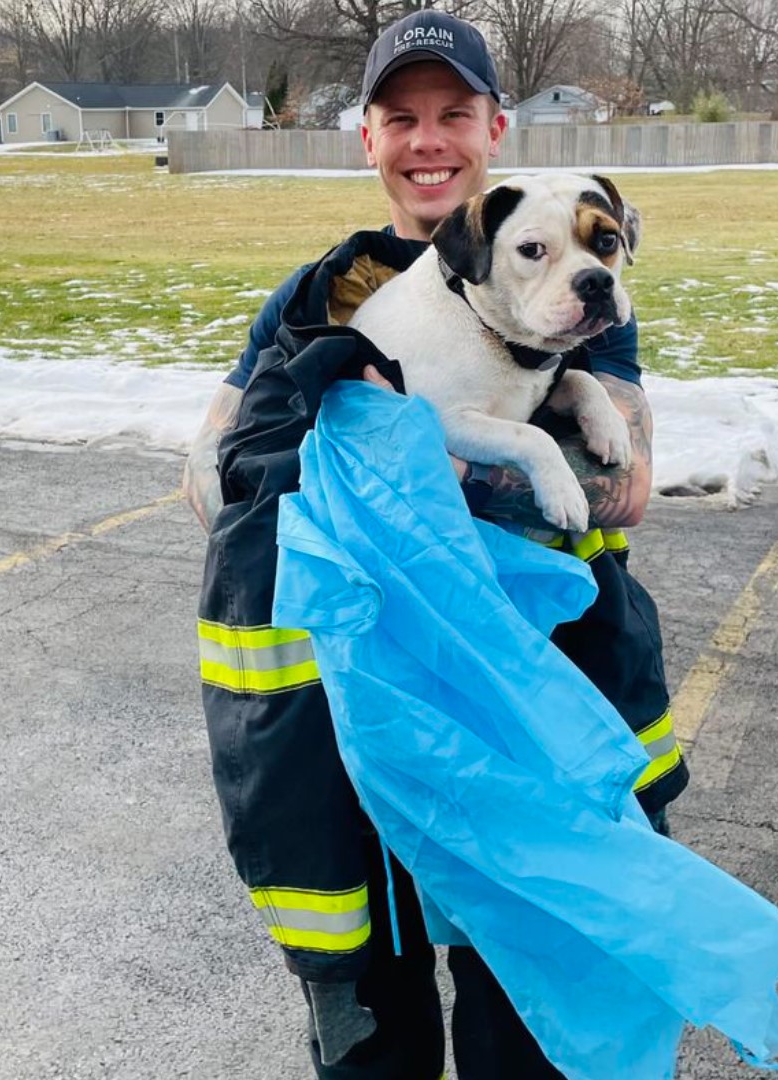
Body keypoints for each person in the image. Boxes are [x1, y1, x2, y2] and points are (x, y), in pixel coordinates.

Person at [186, 11, 688, 1078]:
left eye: (454, 113)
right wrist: (329, 473)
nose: (428, 140)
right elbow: (213, 476)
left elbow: (622, 488)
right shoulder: (317, 295)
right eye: (400, 117)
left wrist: (430, 472)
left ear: (495, 126)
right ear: (364, 137)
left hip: (535, 713)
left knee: (533, 1018)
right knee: (376, 1033)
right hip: (361, 728)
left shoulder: (571, 286)